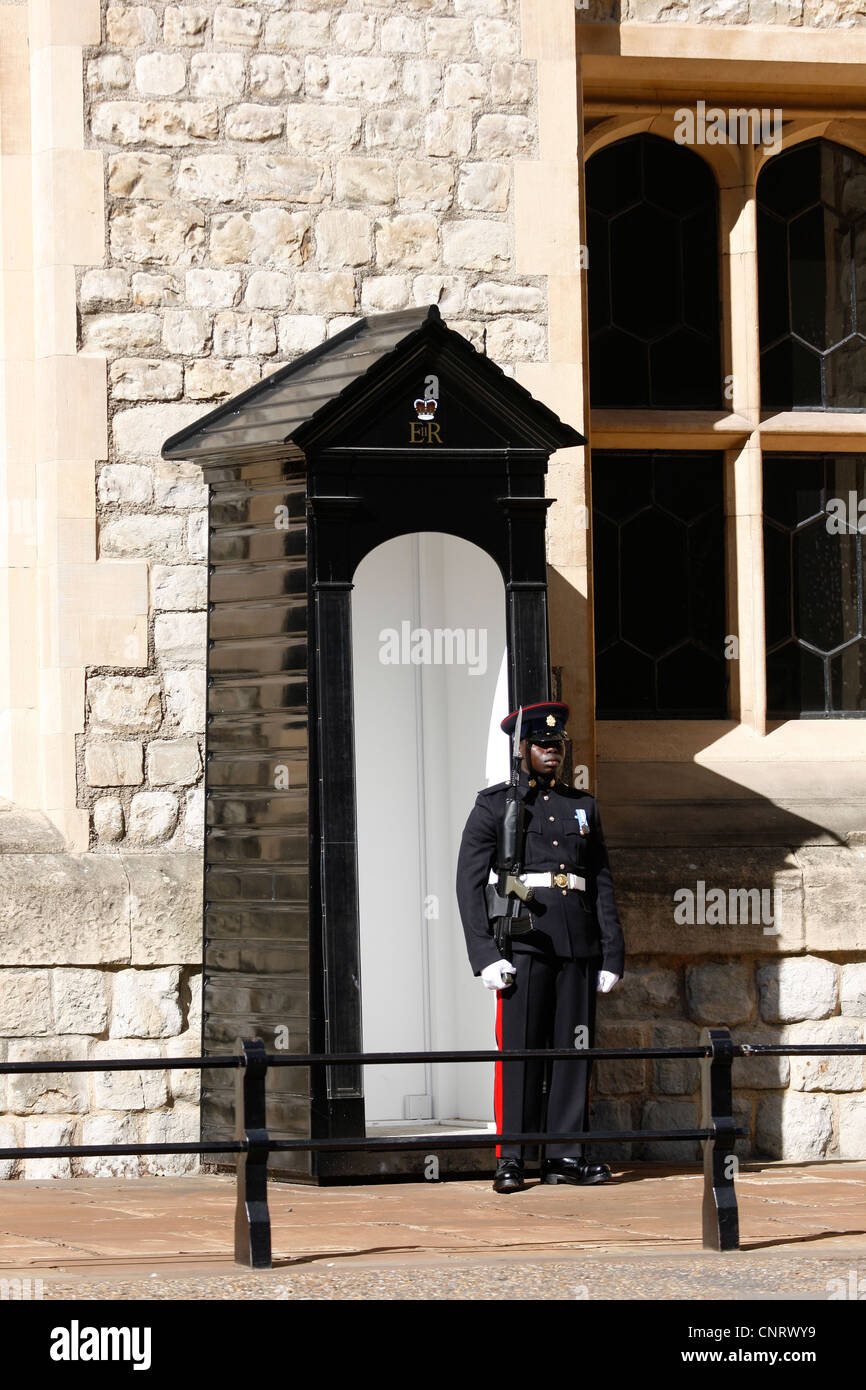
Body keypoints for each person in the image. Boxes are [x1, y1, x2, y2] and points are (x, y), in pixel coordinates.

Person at [455, 701, 626, 1194]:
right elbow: (468, 885)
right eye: (543, 746)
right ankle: (513, 1155)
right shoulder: (495, 805)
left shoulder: (583, 806)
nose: (552, 753)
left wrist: (611, 952)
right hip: (524, 942)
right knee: (522, 1053)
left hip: (576, 942)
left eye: (558, 746)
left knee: (573, 1052)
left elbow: (600, 882)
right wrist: (485, 955)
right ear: (523, 749)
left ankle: (566, 1155)